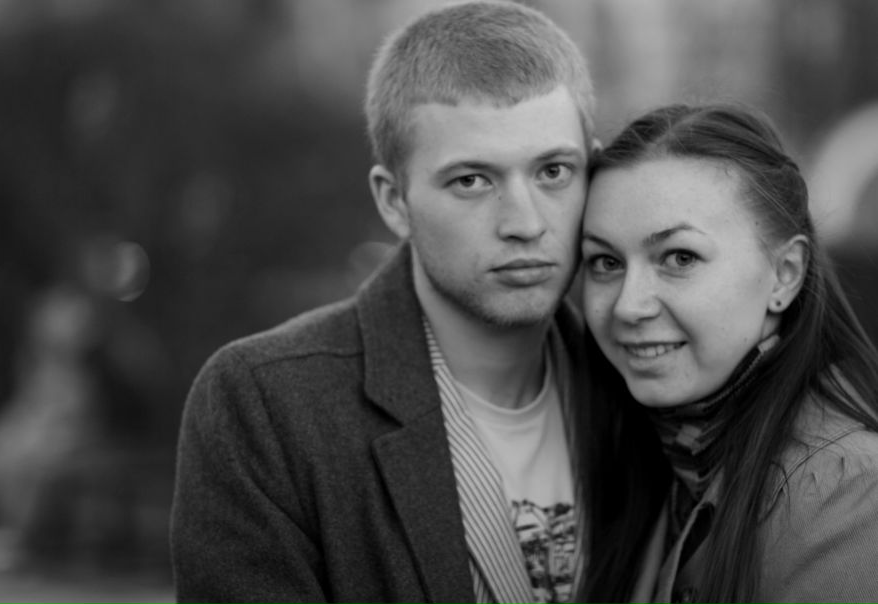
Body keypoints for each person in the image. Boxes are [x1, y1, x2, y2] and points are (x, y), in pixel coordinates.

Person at [171, 3, 670, 603]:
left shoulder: (643, 377)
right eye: (471, 180)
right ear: (394, 201)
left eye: (554, 172)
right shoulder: (268, 406)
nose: (525, 222)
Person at [578, 102, 878, 603]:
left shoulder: (846, 498)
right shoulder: (646, 458)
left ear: (784, 274)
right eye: (605, 262)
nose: (628, 306)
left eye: (679, 257)